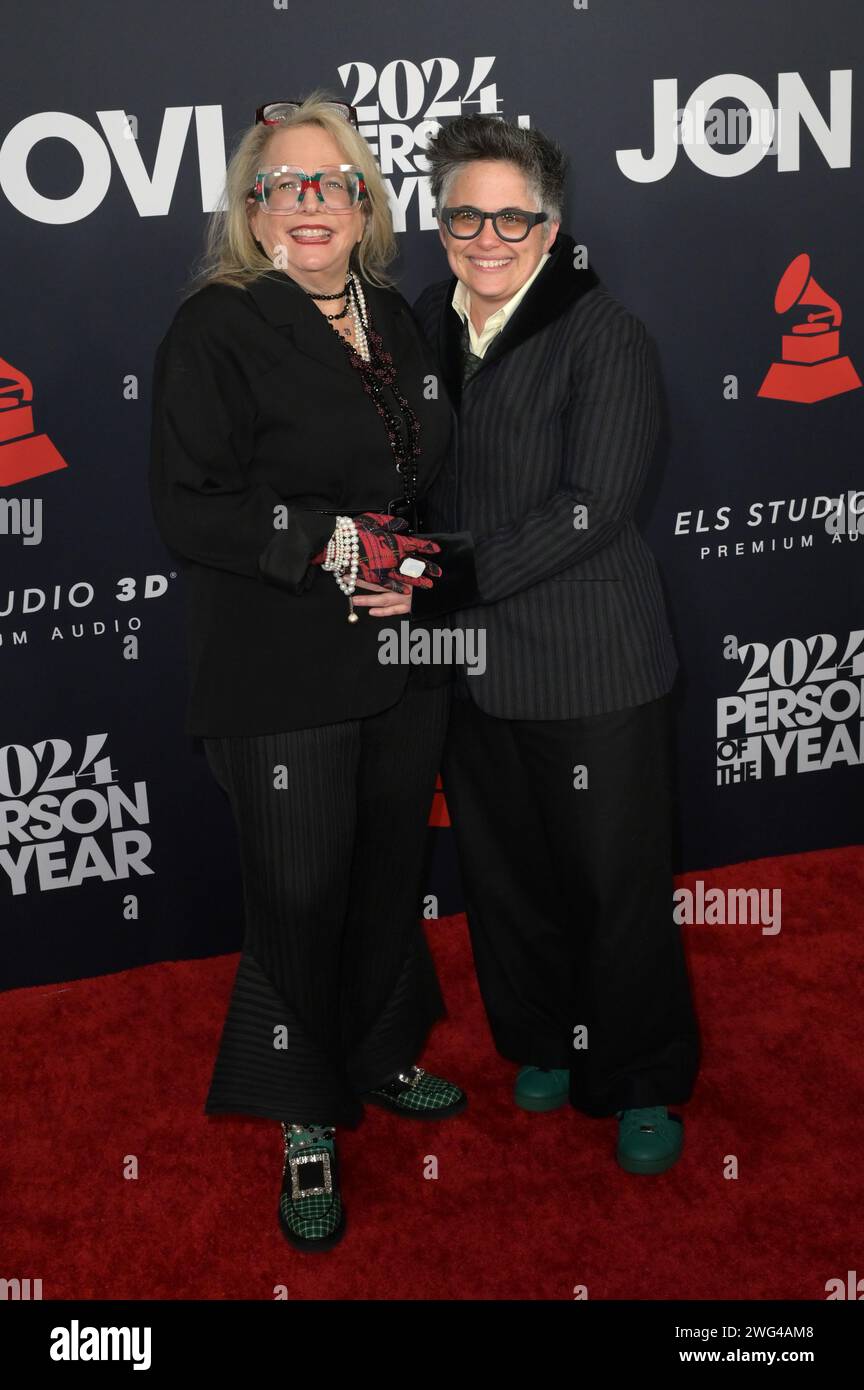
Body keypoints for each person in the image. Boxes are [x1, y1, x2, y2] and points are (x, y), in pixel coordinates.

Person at [148, 91, 470, 1252]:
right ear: (253, 208)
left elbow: (418, 486)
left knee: (388, 872)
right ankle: (303, 1124)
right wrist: (336, 547)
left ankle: (381, 1048)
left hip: (400, 659)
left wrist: (423, 572)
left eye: (334, 181)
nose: (313, 201)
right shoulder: (218, 327)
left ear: (365, 199)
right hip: (278, 677)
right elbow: (190, 508)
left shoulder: (395, 315)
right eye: (288, 183)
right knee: (298, 898)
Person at [411, 114, 701, 1175]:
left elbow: (598, 503)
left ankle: (639, 1077)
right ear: (437, 224)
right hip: (469, 673)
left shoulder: (603, 332)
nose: (488, 235)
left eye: (513, 216)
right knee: (505, 876)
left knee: (614, 886)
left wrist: (446, 579)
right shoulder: (414, 328)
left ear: (551, 225)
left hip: (590, 663)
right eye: (465, 214)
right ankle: (540, 1037)